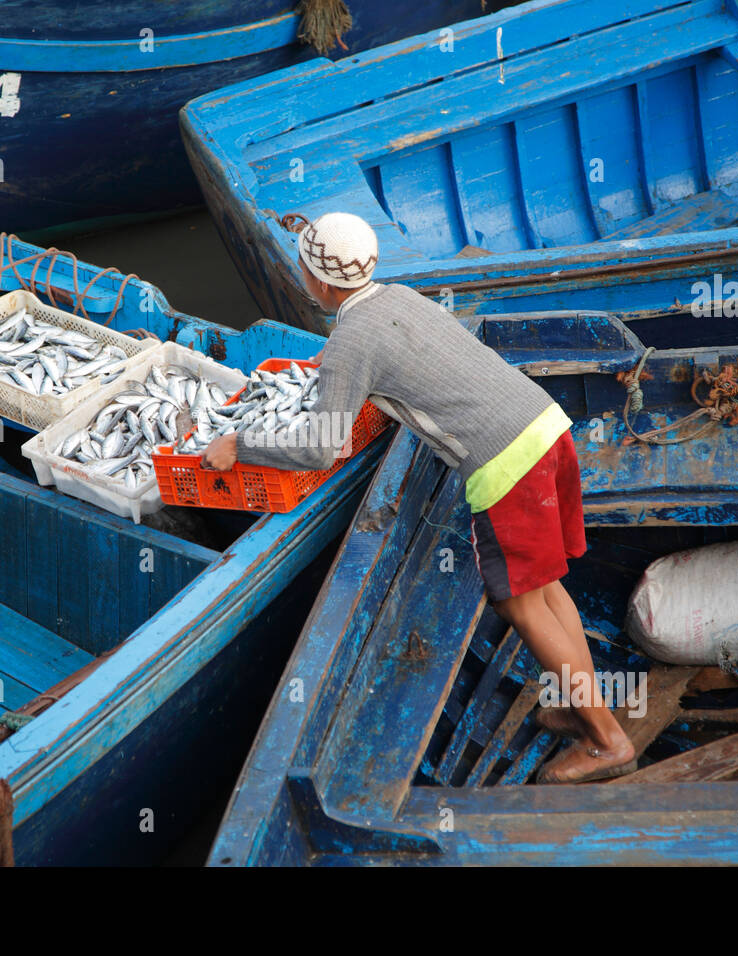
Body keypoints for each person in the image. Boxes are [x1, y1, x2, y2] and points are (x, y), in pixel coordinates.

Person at [201, 211, 636, 783]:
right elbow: (405, 362)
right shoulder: (399, 297)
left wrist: (241, 445)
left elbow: (318, 449)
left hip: (507, 467)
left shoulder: (351, 336)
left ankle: (608, 741)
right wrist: (336, 371)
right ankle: (575, 702)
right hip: (545, 426)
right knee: (548, 587)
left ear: (322, 284)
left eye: (302, 267)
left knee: (521, 605)